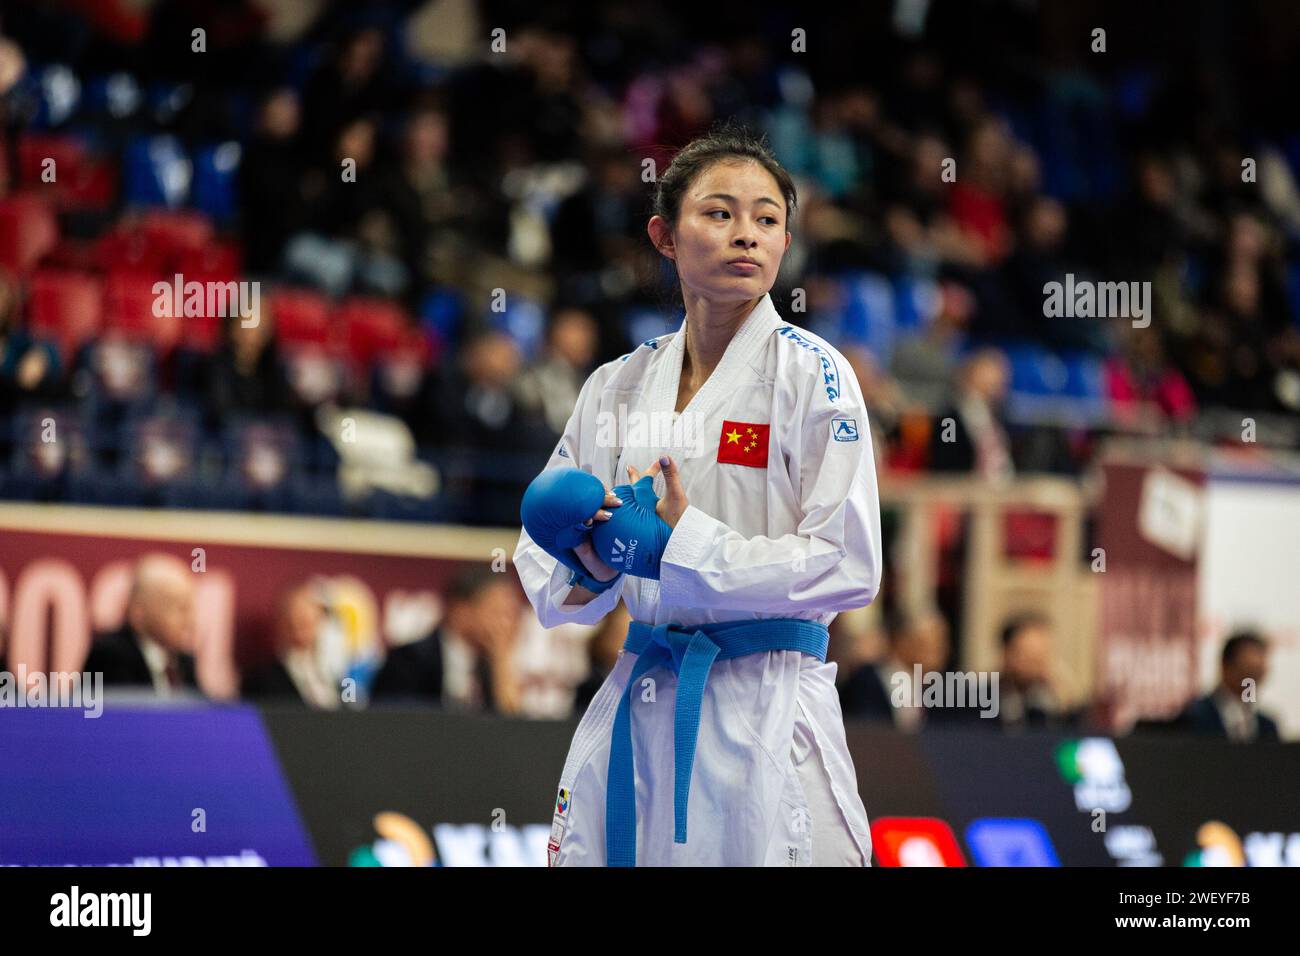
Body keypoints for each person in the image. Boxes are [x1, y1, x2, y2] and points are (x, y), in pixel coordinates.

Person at [514, 126, 881, 867]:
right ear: (665, 235)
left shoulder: (816, 376)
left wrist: (682, 548)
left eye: (767, 219)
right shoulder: (615, 385)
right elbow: (545, 577)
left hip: (767, 704)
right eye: (718, 213)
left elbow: (847, 564)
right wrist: (588, 563)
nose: (746, 234)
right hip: (643, 693)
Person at [370, 566, 524, 714]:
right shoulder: (408, 660)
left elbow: (512, 730)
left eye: (512, 615)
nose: (507, 625)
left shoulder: (491, 669)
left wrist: (502, 666)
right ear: (461, 610)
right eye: (497, 613)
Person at [83, 553, 201, 697]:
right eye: (179, 608)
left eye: (190, 608)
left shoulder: (185, 663)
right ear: (137, 612)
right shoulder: (109, 656)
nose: (189, 621)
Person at [1176, 631, 1280, 742]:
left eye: (1258, 673)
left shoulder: (1267, 727)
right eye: (1247, 671)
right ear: (1226, 666)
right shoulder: (1194, 718)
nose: (1251, 682)